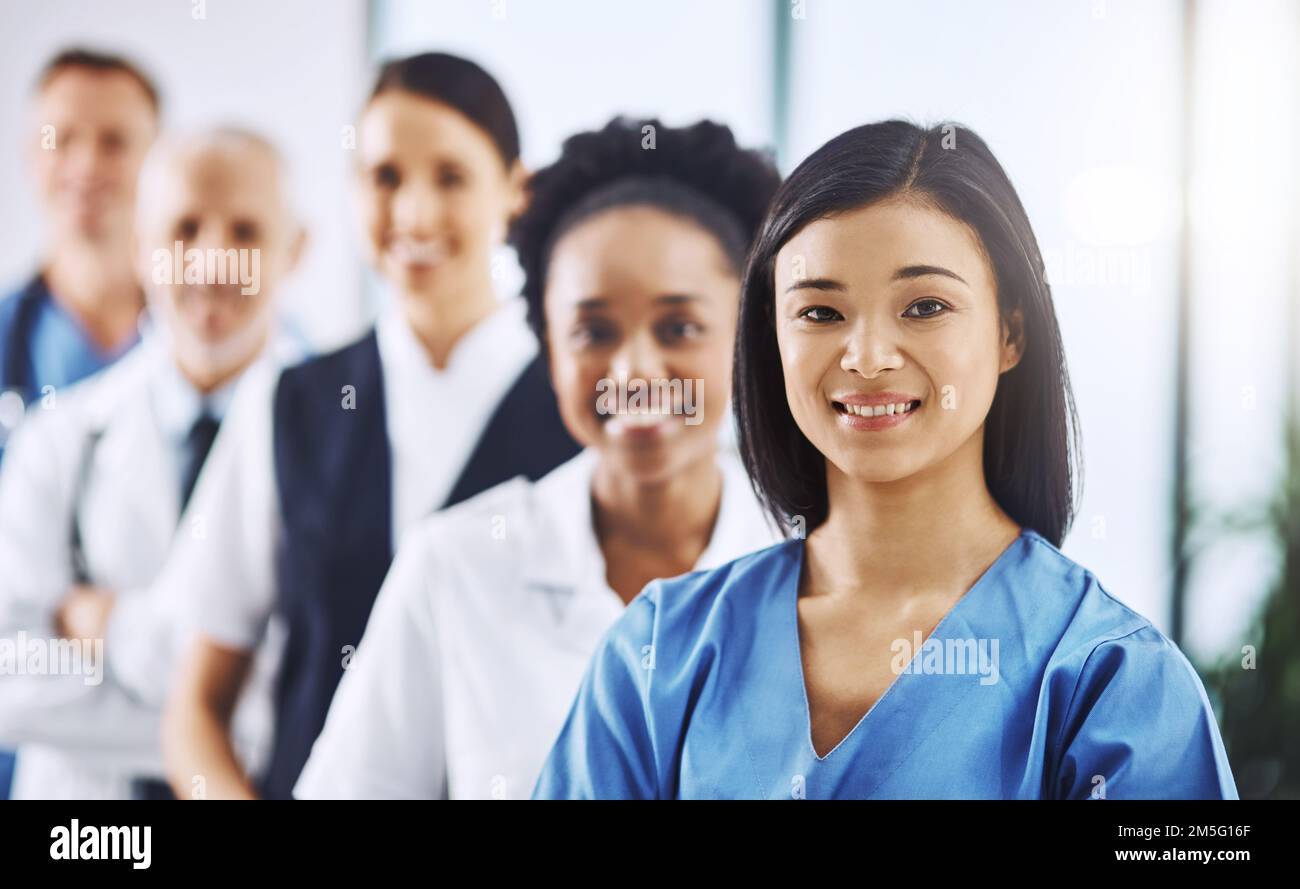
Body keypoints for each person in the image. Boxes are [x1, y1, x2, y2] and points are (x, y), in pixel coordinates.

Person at [533, 120, 1239, 800]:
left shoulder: (1112, 678)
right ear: (771, 340)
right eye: (820, 312)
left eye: (924, 306)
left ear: (1010, 333)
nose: (867, 357)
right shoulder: (658, 652)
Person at [294, 118, 783, 799]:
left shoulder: (813, 559)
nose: (635, 370)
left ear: (747, 334)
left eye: (679, 327)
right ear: (548, 350)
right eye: (593, 331)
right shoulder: (454, 564)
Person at [160, 52, 580, 800]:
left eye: (450, 177)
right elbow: (194, 709)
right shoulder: (288, 403)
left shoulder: (578, 410)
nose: (414, 213)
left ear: (515, 191)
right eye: (385, 177)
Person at [0, 127, 304, 798]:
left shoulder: (333, 441)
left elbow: (323, 679)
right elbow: (9, 680)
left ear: (296, 249)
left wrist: (108, 626)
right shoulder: (58, 437)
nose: (213, 261)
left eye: (246, 231)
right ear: (140, 249)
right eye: (184, 229)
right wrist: (219, 715)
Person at [0, 48, 159, 459]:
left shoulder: (230, 340)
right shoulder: (9, 336)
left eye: (114, 141)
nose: (87, 164)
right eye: (63, 139)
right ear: (30, 156)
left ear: (160, 162)